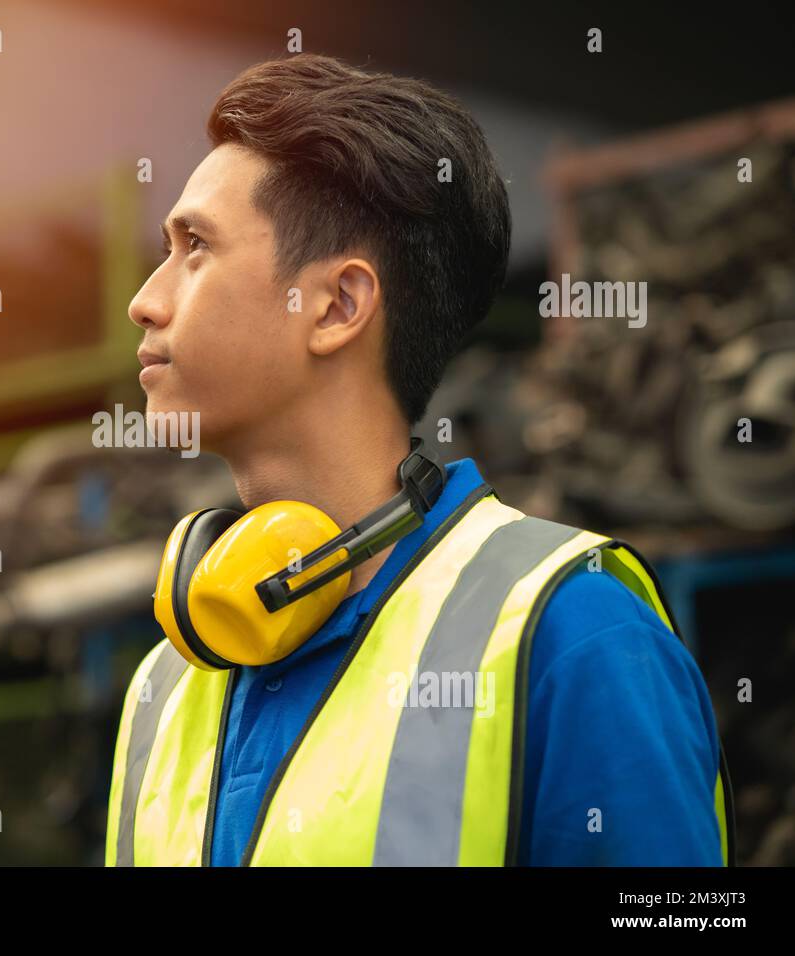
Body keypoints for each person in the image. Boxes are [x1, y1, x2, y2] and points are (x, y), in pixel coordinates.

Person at [105, 54, 733, 867]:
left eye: (196, 248)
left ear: (336, 306)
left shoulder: (573, 632)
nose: (145, 299)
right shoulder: (167, 682)